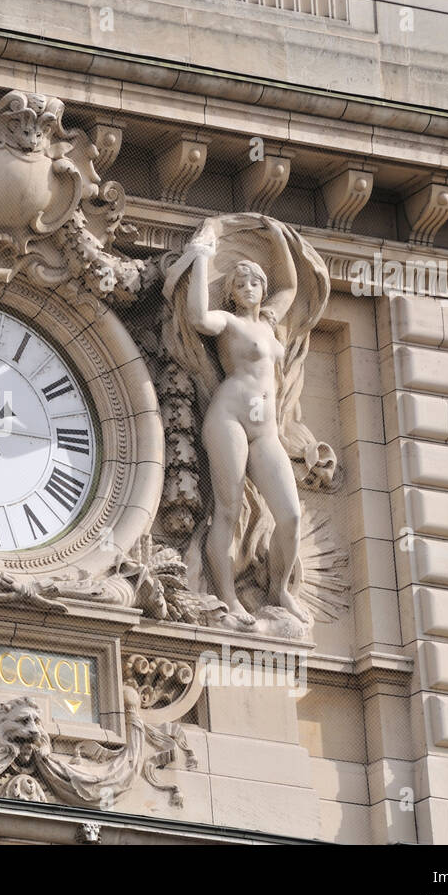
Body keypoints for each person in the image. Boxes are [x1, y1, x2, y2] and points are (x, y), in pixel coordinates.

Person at [164, 226, 306, 624]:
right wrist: (202, 254)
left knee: (290, 515)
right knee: (227, 509)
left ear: (262, 289)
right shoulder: (228, 321)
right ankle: (227, 597)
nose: (248, 287)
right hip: (229, 415)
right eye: (240, 282)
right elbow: (197, 317)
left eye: (255, 282)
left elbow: (290, 287)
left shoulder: (271, 324)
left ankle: (278, 590)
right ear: (231, 291)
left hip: (265, 427)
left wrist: (277, 235)